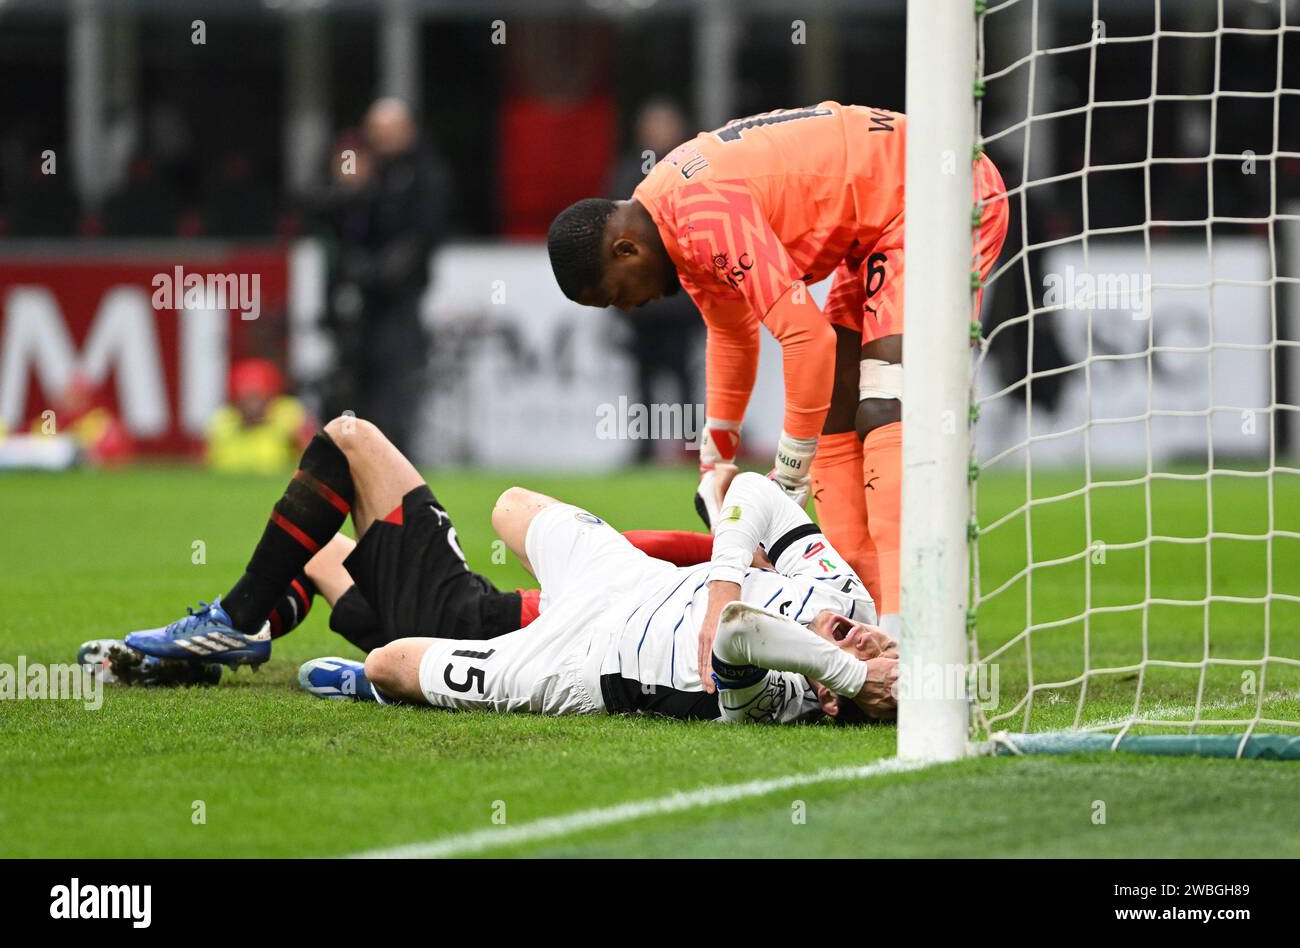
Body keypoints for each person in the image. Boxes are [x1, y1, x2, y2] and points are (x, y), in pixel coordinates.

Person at [546, 101, 1009, 633]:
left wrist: (787, 478)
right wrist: (714, 464)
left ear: (625, 250)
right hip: (885, 222)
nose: (629, 308)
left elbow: (805, 339)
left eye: (615, 297)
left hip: (942, 189)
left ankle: (913, 627)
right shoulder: (671, 215)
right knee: (838, 400)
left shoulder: (701, 211)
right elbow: (732, 334)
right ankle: (867, 618)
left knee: (885, 397)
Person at [121, 416, 895, 721]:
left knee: (351, 448)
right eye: (888, 645)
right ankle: (267, 612)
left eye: (876, 662)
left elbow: (736, 629)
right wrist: (710, 547)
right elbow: (753, 491)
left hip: (552, 650)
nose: (874, 645)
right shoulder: (843, 592)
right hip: (614, 582)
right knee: (505, 508)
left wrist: (857, 679)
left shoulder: (793, 691)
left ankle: (237, 621)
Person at [340, 98, 452, 454]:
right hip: (365, 297)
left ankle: (394, 452)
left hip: (402, 296)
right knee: (360, 373)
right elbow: (342, 224)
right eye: (375, 133)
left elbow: (427, 232)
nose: (381, 140)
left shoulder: (426, 174)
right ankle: (359, 451)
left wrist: (394, 266)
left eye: (387, 132)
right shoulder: (368, 174)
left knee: (397, 373)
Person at [607, 99, 704, 464]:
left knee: (686, 377)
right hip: (641, 303)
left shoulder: (693, 173)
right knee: (642, 380)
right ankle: (644, 448)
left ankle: (692, 447)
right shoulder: (627, 172)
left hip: (680, 299)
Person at [206, 359, 314, 474]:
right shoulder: (222, 422)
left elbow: (314, 459)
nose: (252, 406)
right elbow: (208, 468)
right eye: (246, 398)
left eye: (259, 396)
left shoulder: (288, 415)